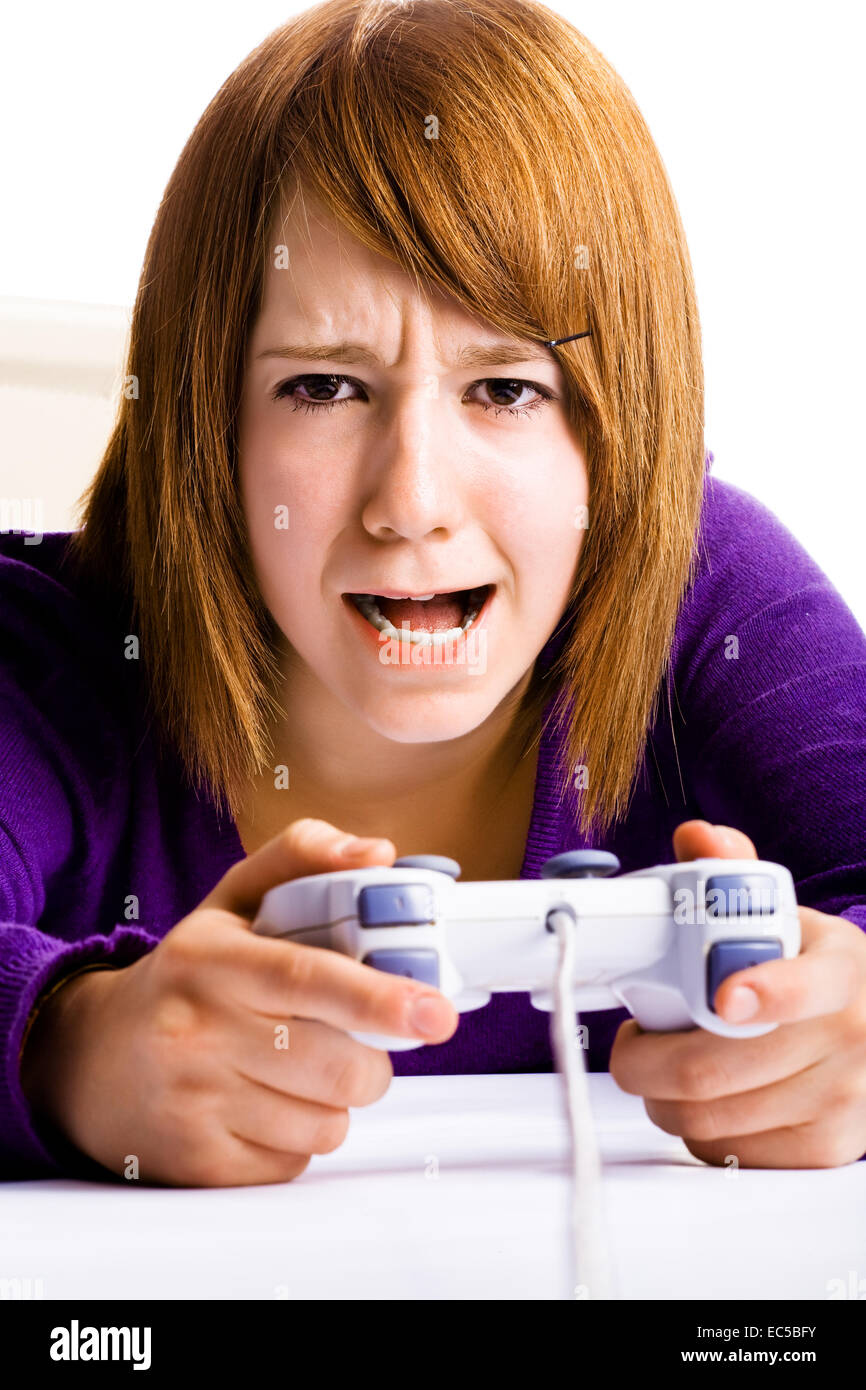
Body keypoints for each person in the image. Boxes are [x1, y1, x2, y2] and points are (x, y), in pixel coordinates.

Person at [2, 0, 865, 1188]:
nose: (409, 502)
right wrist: (62, 1046)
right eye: (322, 386)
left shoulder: (703, 591)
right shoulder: (49, 655)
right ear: (206, 425)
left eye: (505, 389)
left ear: (625, 433)